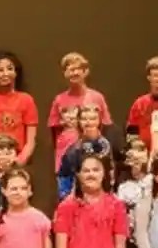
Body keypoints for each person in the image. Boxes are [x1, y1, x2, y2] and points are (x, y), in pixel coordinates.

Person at [48, 52, 113, 188]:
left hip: (93, 157)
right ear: (64, 73)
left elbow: (106, 126)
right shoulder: (59, 100)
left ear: (86, 71)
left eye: (78, 69)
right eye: (70, 69)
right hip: (66, 158)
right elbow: (54, 131)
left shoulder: (97, 97)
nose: (74, 73)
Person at [0, 51, 38, 172]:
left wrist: (18, 162)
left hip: (19, 166)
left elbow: (31, 142)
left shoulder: (27, 100)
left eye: (9, 69)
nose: (5, 74)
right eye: (0, 70)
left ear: (16, 72)